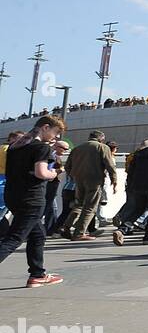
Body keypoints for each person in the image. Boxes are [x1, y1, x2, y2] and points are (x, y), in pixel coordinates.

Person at [0, 115, 66, 287]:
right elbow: (41, 173)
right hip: (31, 198)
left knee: (38, 234)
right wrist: (55, 174)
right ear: (45, 127)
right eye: (55, 132)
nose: (56, 137)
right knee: (14, 238)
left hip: (12, 195)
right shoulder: (41, 147)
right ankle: (37, 274)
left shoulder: (15, 146)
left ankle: (37, 274)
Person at [112, 132, 148, 246]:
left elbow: (132, 171)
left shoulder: (138, 154)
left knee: (138, 210)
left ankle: (122, 229)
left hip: (138, 186)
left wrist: (132, 185)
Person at [62, 130, 117, 241]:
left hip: (78, 180)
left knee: (79, 205)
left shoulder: (77, 148)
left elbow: (67, 166)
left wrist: (73, 176)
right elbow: (110, 165)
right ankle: (79, 233)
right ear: (101, 138)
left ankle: (65, 227)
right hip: (94, 180)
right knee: (90, 207)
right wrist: (114, 180)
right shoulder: (102, 147)